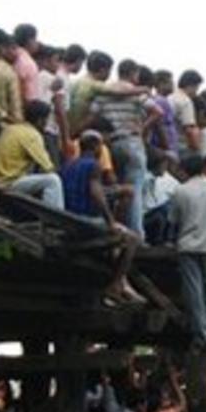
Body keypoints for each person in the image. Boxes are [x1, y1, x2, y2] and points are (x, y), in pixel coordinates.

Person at [60, 130, 144, 305]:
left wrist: (117, 192)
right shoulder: (93, 165)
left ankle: (121, 283)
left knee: (125, 195)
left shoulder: (68, 166)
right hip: (87, 222)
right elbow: (96, 193)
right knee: (132, 239)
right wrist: (111, 221)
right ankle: (115, 284)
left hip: (69, 219)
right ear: (95, 146)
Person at [83, 58, 161, 235]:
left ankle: (117, 229)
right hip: (132, 143)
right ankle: (136, 233)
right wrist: (142, 128)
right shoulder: (135, 92)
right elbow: (158, 112)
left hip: (110, 144)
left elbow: (92, 115)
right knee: (135, 189)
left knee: (116, 188)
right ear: (134, 73)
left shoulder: (105, 91)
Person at [168, 154, 206, 348]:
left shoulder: (180, 190)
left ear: (185, 170)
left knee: (194, 291)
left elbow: (173, 219)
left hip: (187, 245)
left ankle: (202, 332)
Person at [0, 100, 64, 209]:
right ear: (40, 120)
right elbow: (48, 167)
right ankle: (54, 217)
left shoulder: (11, 128)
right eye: (47, 119)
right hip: (9, 184)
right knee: (53, 180)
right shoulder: (32, 135)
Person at [11, 24, 42, 102]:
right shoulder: (26, 62)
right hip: (27, 105)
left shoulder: (15, 56)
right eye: (35, 39)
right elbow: (22, 88)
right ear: (29, 40)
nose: (37, 43)